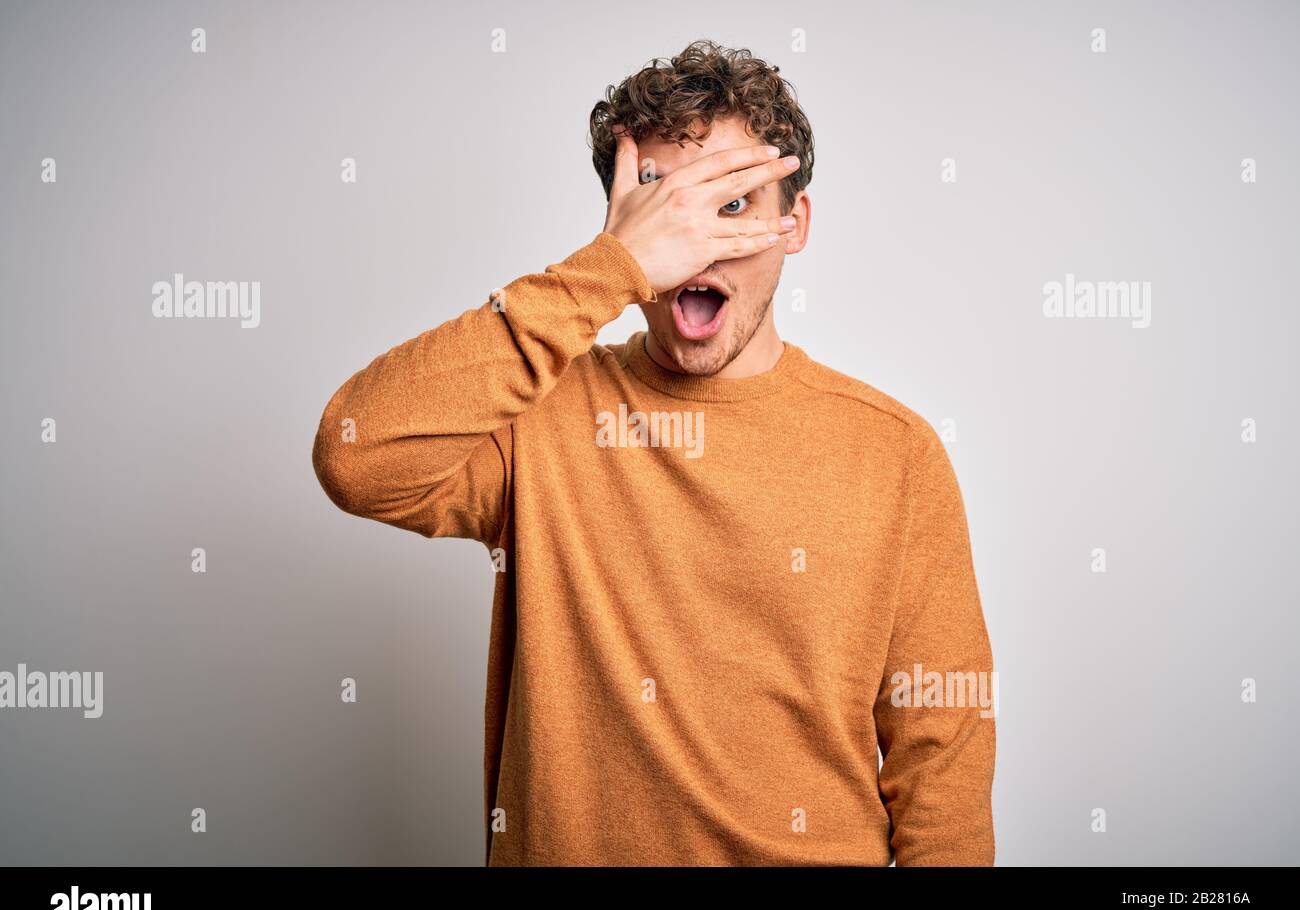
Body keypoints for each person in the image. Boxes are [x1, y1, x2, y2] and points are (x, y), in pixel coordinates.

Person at [312, 39, 996, 866]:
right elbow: (358, 456)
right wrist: (608, 271)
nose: (697, 246)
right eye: (665, 206)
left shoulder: (896, 453)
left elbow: (942, 763)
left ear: (795, 222)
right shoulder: (543, 413)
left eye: (732, 205)